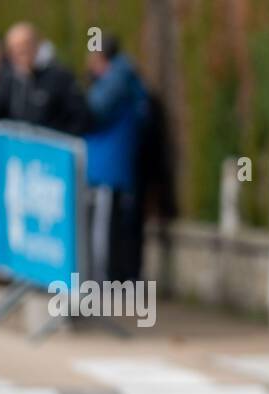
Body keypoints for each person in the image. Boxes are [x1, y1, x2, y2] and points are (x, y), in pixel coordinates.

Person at [85, 36, 148, 282]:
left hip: (110, 168)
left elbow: (91, 112)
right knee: (115, 225)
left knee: (107, 227)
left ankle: (108, 278)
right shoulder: (120, 78)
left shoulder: (115, 81)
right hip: (112, 165)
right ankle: (116, 277)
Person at [0, 22, 88, 135]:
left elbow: (80, 117)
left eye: (24, 46)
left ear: (36, 44)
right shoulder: (9, 77)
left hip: (51, 147)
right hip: (20, 149)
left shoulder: (60, 76)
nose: (19, 52)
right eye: (13, 48)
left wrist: (57, 140)